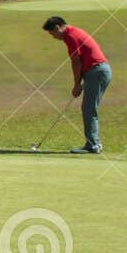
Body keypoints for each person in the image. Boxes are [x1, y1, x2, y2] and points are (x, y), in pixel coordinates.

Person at [43, 16, 110, 154]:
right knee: (89, 108)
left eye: (52, 33)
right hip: (98, 71)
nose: (53, 37)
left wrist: (77, 85)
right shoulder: (73, 31)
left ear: (57, 28)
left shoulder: (70, 36)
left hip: (96, 71)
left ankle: (93, 145)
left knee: (89, 108)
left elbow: (76, 62)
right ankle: (93, 143)